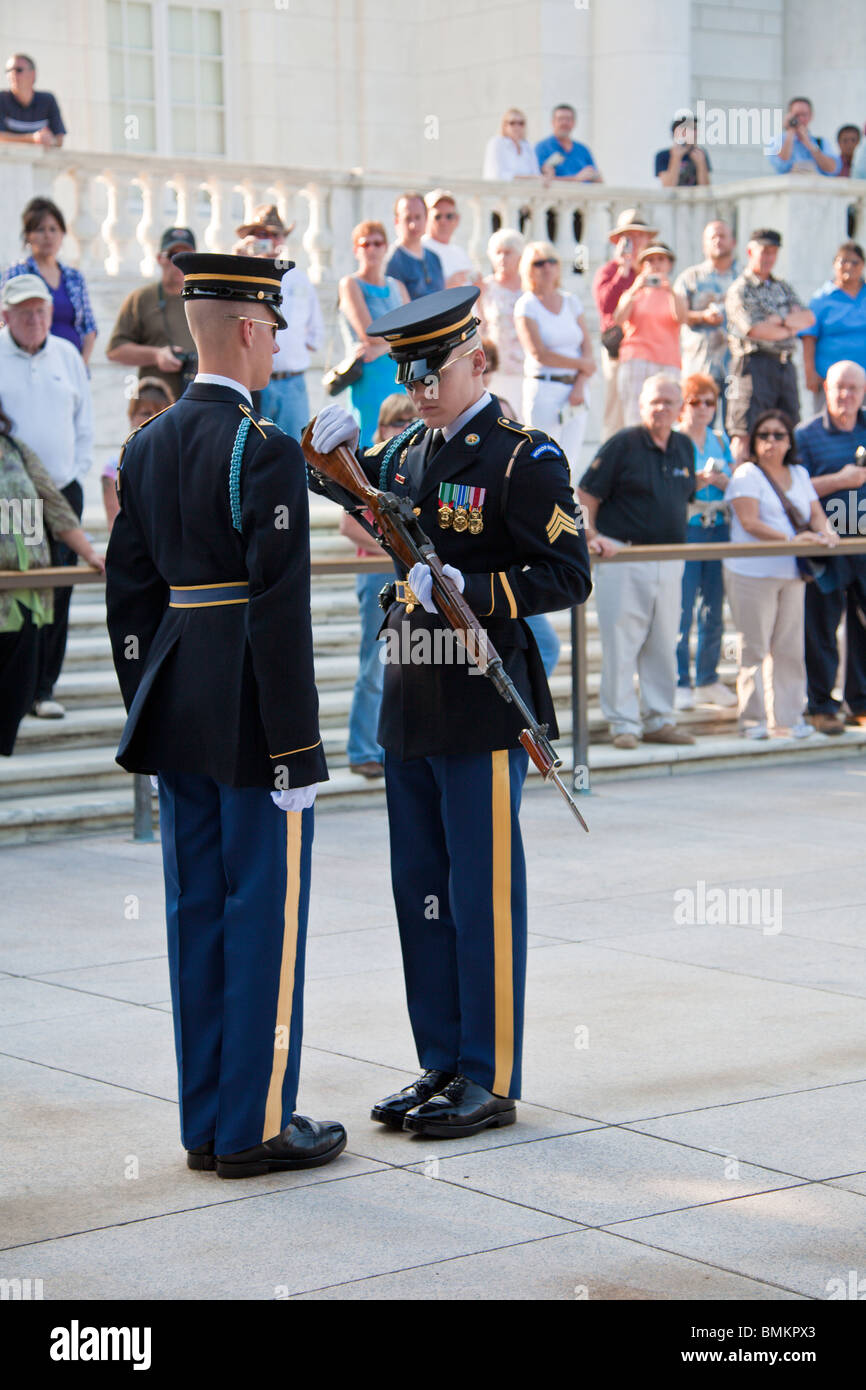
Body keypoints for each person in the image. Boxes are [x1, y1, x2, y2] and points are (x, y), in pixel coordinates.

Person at [310, 287, 591, 1138]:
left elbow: (569, 575)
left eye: (435, 372)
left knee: (481, 891)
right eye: (411, 374)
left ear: (477, 358)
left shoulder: (522, 458)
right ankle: (440, 1059)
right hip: (410, 698)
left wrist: (480, 589)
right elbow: (370, 508)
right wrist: (323, 462)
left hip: (478, 698)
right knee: (420, 890)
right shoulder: (398, 457)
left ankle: (490, 1072)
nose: (423, 388)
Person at [105, 252, 345, 1179]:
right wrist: (298, 748)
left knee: (195, 911)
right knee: (264, 917)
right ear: (250, 330)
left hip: (179, 708)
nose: (276, 342)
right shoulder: (263, 449)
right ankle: (255, 1125)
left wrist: (154, 701)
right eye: (274, 328)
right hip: (253, 714)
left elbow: (131, 598)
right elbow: (278, 610)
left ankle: (205, 1121)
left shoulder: (146, 444)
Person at [577, 375, 696, 750]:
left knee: (664, 642)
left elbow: (684, 498)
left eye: (668, 401)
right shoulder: (622, 444)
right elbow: (584, 496)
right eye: (654, 401)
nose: (661, 408)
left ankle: (660, 718)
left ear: (680, 408)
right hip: (623, 556)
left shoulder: (684, 446)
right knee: (621, 642)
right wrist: (592, 536)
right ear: (641, 405)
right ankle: (623, 723)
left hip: (670, 558)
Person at [0, 274, 92, 719]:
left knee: (60, 591)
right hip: (15, 500)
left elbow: (83, 421)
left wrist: (78, 472)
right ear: (6, 316)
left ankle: (44, 687)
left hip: (63, 488)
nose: (35, 319)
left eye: (41, 311)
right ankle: (18, 689)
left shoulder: (67, 354)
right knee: (24, 595)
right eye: (24, 312)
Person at [725, 410, 837, 739]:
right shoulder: (746, 474)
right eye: (764, 435)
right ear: (754, 442)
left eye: (778, 435)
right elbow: (750, 522)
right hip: (752, 573)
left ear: (790, 441)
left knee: (789, 648)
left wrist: (827, 533)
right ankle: (752, 720)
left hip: (792, 572)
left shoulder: (800, 473)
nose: (771, 441)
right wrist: (792, 539)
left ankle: (788, 718)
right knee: (754, 648)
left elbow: (816, 515)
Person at [0, 399, 103, 756]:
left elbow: (56, 507)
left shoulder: (16, 449)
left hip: (24, 599)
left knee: (16, 693)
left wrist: (90, 554)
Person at [341, 393, 417, 778]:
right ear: (382, 427)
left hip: (408, 574)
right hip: (376, 572)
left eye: (410, 422)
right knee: (374, 664)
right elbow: (349, 524)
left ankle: (391, 745)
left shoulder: (416, 463)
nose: (403, 429)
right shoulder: (369, 466)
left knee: (406, 664)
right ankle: (361, 748)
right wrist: (397, 549)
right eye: (396, 422)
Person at [795, 361, 866, 733]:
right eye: (840, 387)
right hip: (825, 547)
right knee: (821, 628)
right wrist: (838, 480)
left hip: (864, 547)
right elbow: (793, 491)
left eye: (854, 388)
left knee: (863, 628)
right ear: (825, 390)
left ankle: (861, 703)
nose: (847, 395)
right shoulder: (805, 435)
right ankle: (821, 705)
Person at [233, 205, 324, 441]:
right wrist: (238, 261)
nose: (269, 241)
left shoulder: (300, 280)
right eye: (262, 235)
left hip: (292, 383)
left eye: (274, 234)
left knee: (296, 452)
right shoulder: (240, 277)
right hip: (252, 383)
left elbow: (315, 336)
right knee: (250, 450)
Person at [725, 229, 815, 463]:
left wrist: (780, 322)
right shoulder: (740, 288)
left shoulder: (782, 286)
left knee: (788, 429)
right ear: (750, 252)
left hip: (784, 365)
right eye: (764, 251)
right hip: (752, 365)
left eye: (773, 252)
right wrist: (788, 325)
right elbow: (754, 330)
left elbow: (807, 319)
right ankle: (741, 491)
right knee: (744, 431)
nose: (768, 258)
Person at [674, 374, 736, 712]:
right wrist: (693, 483)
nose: (703, 409)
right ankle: (681, 680)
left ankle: (708, 677)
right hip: (689, 528)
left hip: (719, 527)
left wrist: (726, 481)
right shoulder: (676, 440)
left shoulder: (720, 440)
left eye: (709, 402)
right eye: (696, 401)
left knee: (713, 608)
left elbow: (738, 485)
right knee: (683, 608)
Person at [514, 240, 595, 482]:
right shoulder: (526, 304)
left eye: (552, 261)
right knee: (543, 459)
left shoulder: (571, 301)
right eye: (539, 263)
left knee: (570, 462)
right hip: (544, 388)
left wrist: (579, 384)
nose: (547, 267)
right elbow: (539, 353)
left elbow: (588, 349)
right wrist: (581, 365)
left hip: (576, 391)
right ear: (529, 269)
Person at [338, 220, 409, 448]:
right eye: (365, 243)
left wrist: (383, 347)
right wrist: (394, 343)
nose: (372, 249)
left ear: (386, 246)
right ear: (355, 249)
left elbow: (413, 330)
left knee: (402, 435)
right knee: (368, 439)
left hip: (398, 374)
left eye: (377, 243)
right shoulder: (350, 283)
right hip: (369, 375)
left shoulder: (397, 286)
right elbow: (369, 333)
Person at [105, 227, 198, 399]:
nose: (179, 263)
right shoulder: (141, 298)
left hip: (195, 401)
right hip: (154, 403)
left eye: (187, 257)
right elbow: (115, 351)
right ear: (159, 259)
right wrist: (156, 355)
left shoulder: (204, 301)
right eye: (173, 256)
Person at [2, 197, 97, 363]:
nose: (48, 236)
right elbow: (3, 321)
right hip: (29, 364)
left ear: (62, 234)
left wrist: (81, 366)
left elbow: (88, 327)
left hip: (70, 365)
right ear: (28, 236)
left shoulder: (75, 277)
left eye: (53, 229)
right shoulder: (17, 273)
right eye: (40, 230)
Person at [593, 210, 658, 440]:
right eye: (628, 236)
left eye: (639, 235)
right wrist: (624, 270)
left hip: (650, 349)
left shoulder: (654, 271)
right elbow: (605, 306)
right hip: (620, 351)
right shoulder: (609, 271)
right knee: (616, 412)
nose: (634, 241)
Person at [613, 243, 687, 428]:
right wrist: (634, 289)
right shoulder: (633, 293)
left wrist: (670, 291)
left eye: (661, 259)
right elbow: (619, 318)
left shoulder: (675, 294)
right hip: (636, 358)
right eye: (650, 260)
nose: (655, 264)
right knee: (635, 418)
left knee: (668, 419)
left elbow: (682, 318)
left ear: (669, 264)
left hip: (667, 361)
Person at [674, 220, 738, 403]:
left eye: (723, 236)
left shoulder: (744, 276)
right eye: (713, 237)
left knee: (734, 424)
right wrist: (702, 316)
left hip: (734, 367)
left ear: (733, 242)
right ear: (704, 244)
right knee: (697, 422)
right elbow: (678, 315)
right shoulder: (689, 277)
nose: (718, 241)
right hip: (699, 364)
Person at [800, 242, 866, 414]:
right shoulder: (821, 299)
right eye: (843, 261)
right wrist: (810, 373)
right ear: (834, 264)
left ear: (863, 265)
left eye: (855, 262)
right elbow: (809, 338)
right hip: (830, 381)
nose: (849, 266)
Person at [102, 378, 174, 529]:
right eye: (146, 413)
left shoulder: (178, 462)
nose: (153, 418)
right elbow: (114, 523)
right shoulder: (115, 466)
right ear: (131, 416)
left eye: (161, 412)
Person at [477, 229, 525, 415]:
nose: (502, 258)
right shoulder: (486, 288)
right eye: (498, 253)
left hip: (526, 371)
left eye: (508, 252)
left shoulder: (530, 288)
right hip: (496, 370)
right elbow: (479, 328)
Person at [385, 192, 445, 301]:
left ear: (426, 218)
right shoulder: (392, 261)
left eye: (418, 217)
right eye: (408, 218)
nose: (413, 225)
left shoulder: (434, 257)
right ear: (397, 221)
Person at [0, 53, 64, 146]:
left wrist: (49, 140)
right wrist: (33, 138)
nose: (12, 74)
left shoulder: (48, 100)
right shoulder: (2, 99)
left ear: (33, 74)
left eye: (18, 70)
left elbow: (59, 140)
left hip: (39, 160)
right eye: (8, 71)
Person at [766, 97, 840, 176]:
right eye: (796, 115)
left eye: (804, 115)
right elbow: (780, 165)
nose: (800, 119)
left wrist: (809, 144)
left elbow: (832, 169)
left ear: (811, 116)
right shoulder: (777, 140)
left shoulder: (821, 142)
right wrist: (790, 133)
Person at [422, 190, 478, 289]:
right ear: (426, 218)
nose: (444, 221)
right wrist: (447, 285)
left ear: (457, 219)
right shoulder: (420, 249)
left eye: (449, 216)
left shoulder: (460, 252)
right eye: (438, 216)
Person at [535, 103, 601, 182]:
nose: (564, 123)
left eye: (568, 119)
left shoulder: (583, 149)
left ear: (574, 123)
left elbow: (599, 179)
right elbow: (540, 181)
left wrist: (595, 176)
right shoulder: (542, 148)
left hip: (585, 194)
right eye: (560, 119)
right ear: (553, 122)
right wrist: (576, 179)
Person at [482, 109, 543, 181]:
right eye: (512, 123)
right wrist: (527, 178)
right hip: (499, 191)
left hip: (525, 191)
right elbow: (496, 175)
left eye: (521, 123)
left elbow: (536, 174)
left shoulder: (528, 146)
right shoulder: (496, 143)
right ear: (504, 125)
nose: (517, 126)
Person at [655, 114, 711, 187]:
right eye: (691, 129)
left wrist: (701, 164)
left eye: (695, 129)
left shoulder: (701, 154)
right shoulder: (663, 155)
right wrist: (676, 158)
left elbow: (706, 189)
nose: (696, 133)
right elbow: (667, 187)